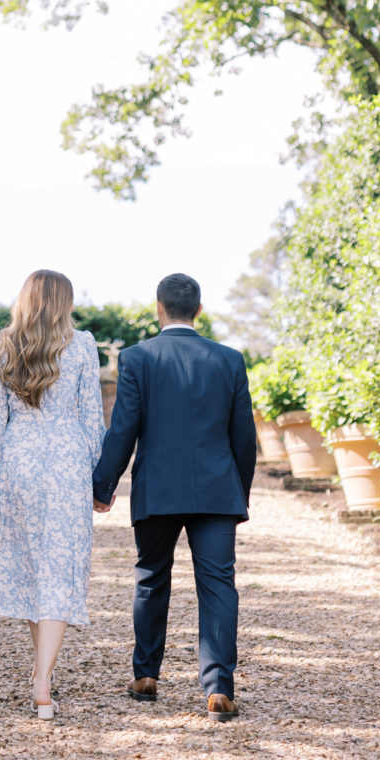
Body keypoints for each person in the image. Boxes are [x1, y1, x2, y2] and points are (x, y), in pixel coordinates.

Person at [92, 272, 257, 720]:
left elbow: (123, 429)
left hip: (158, 489)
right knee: (219, 585)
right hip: (217, 491)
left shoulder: (137, 358)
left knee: (151, 577)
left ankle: (146, 676)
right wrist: (238, 492)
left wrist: (102, 487)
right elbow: (244, 436)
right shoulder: (229, 359)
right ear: (199, 311)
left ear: (158, 309)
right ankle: (219, 688)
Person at [0, 269, 104, 719]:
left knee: (33, 566)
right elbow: (92, 417)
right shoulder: (83, 344)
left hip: (19, 462)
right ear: (65, 303)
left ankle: (42, 674)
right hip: (67, 465)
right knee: (59, 568)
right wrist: (100, 478)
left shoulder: (1, 345)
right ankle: (42, 679)